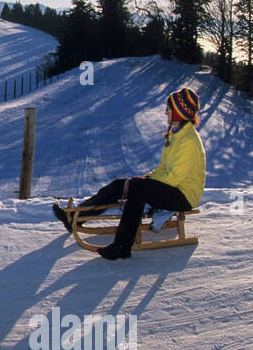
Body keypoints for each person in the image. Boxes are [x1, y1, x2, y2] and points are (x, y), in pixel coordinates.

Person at [53, 87, 206, 260]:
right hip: (173, 187)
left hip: (185, 195)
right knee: (121, 184)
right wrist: (143, 179)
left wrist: (142, 183)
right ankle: (74, 218)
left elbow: (174, 178)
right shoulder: (175, 134)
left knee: (139, 188)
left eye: (169, 109)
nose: (166, 113)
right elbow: (163, 169)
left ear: (179, 113)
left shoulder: (189, 141)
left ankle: (123, 245)